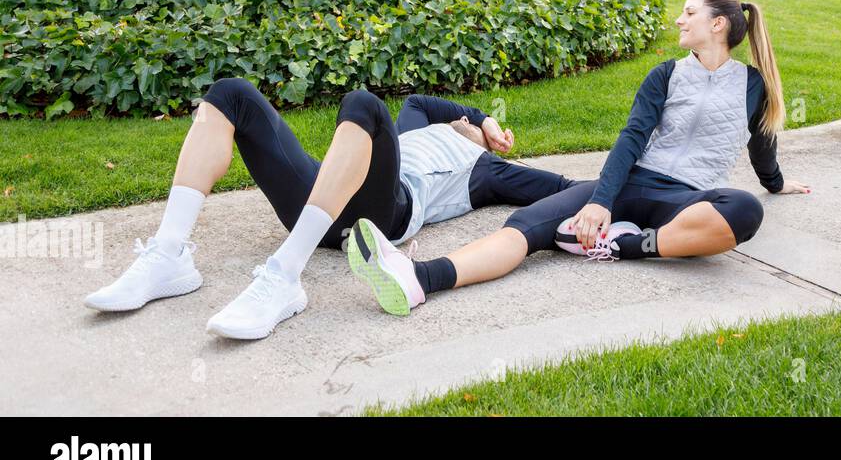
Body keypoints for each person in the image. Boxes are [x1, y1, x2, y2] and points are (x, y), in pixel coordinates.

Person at [345, 0, 812, 317]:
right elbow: (631, 140)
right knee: (525, 227)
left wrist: (776, 184)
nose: (679, 20)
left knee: (744, 209)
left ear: (718, 23)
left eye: (689, 13)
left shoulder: (753, 85)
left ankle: (622, 245)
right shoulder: (666, 75)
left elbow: (762, 144)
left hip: (686, 201)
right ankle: (418, 277)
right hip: (630, 184)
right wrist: (600, 201)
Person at [83, 79, 578, 339]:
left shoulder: (486, 170)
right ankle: (169, 255)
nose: (468, 129)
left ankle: (283, 278)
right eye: (467, 126)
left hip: (384, 215)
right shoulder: (417, 125)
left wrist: (485, 143)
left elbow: (563, 187)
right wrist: (481, 117)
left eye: (474, 131)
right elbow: (424, 102)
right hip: (323, 202)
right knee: (230, 93)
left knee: (362, 101)